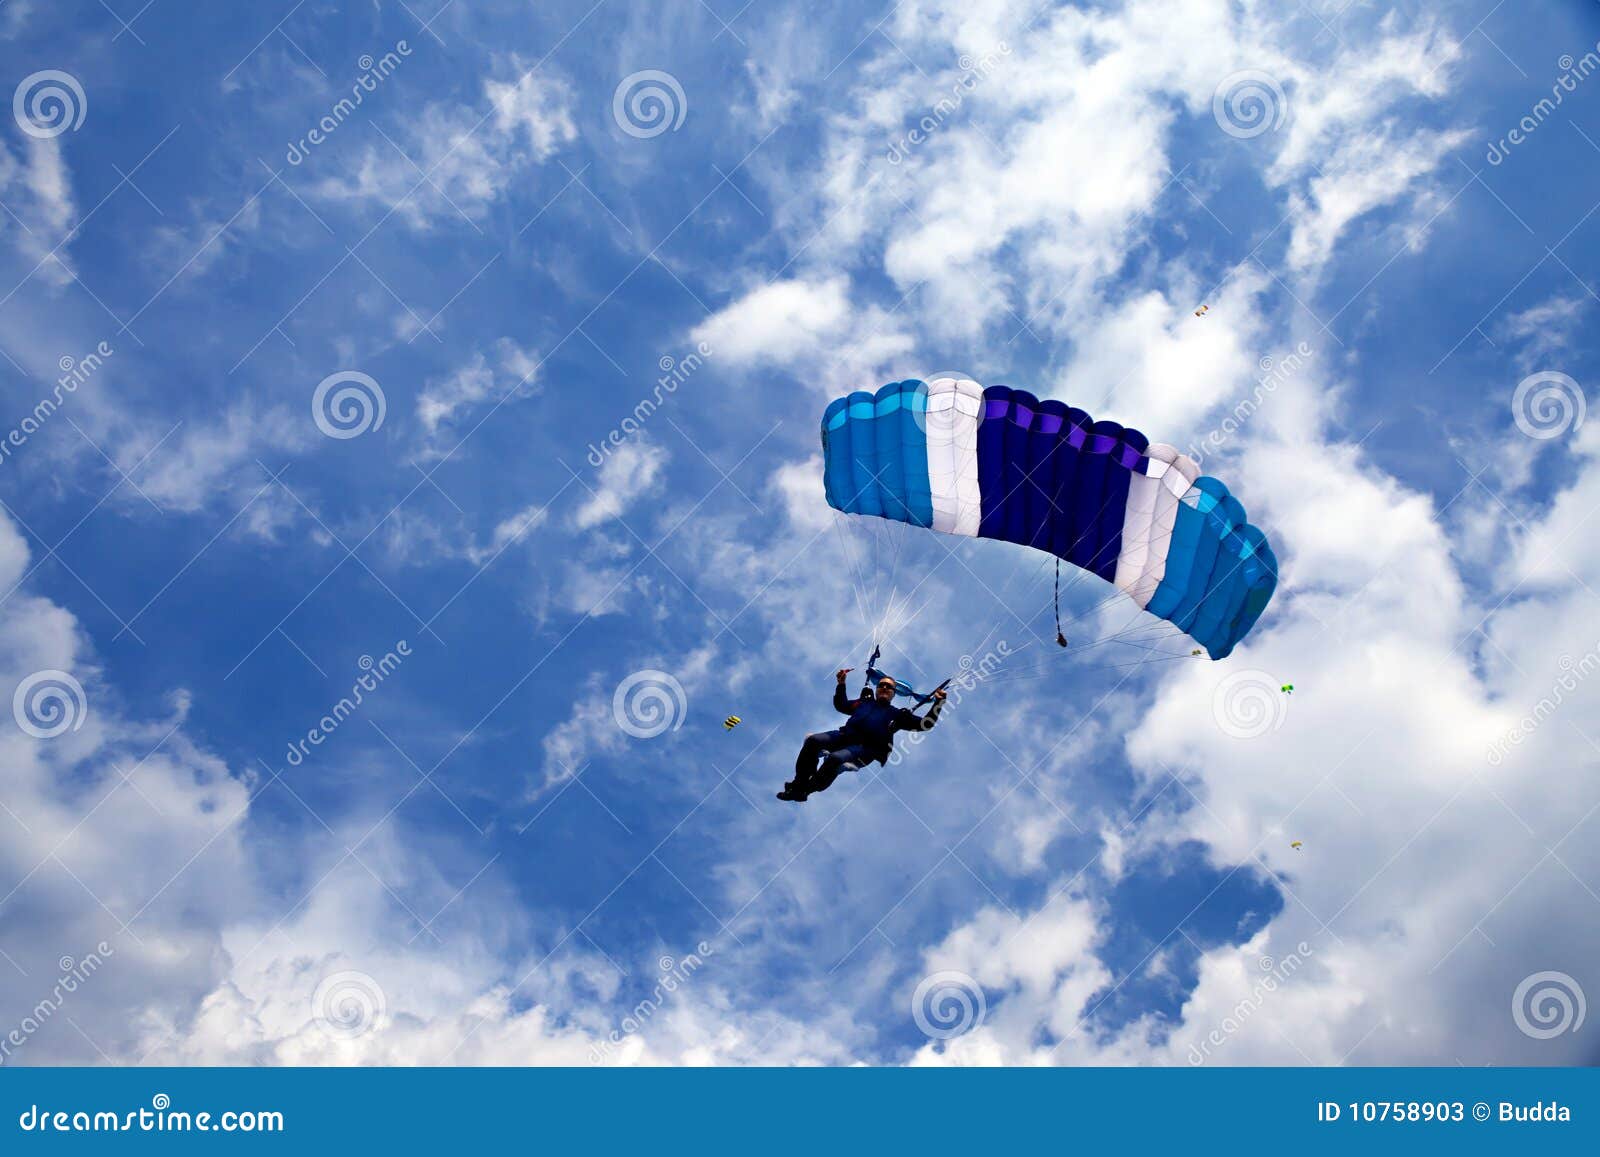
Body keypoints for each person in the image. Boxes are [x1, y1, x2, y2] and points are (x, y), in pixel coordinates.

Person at [779, 668, 947, 802]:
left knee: (834, 759)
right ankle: (798, 785)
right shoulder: (863, 702)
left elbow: (926, 724)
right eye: (881, 685)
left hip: (863, 749)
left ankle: (806, 791)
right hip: (842, 737)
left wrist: (938, 703)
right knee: (813, 741)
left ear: (893, 693)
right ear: (876, 689)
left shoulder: (898, 715)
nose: (884, 688)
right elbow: (841, 705)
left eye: (889, 687)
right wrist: (841, 684)